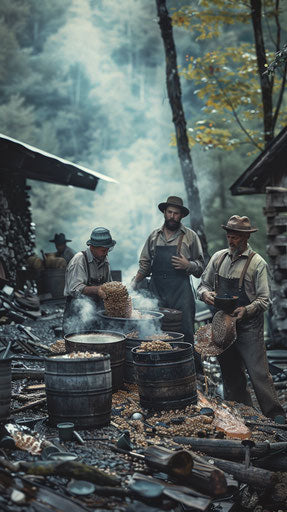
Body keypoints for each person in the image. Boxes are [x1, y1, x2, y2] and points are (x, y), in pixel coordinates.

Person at [197, 215, 285, 422]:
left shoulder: (257, 264)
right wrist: (205, 294)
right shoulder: (218, 258)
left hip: (248, 326)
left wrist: (247, 310)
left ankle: (275, 414)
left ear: (245, 237)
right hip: (223, 325)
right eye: (229, 236)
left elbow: (265, 300)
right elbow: (203, 285)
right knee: (230, 373)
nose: (231, 241)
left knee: (259, 374)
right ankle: (244, 412)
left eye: (235, 237)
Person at [132, 196, 204, 368]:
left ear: (181, 216)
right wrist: (133, 284)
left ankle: (190, 370)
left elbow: (201, 266)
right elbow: (144, 265)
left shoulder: (190, 236)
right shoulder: (154, 236)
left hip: (181, 291)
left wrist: (188, 265)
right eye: (169, 212)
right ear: (164, 213)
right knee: (155, 330)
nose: (172, 216)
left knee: (186, 331)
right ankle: (160, 366)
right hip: (157, 290)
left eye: (176, 213)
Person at [63, 227, 116, 334]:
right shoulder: (79, 260)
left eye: (108, 250)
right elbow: (74, 288)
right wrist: (98, 289)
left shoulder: (104, 261)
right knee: (77, 344)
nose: (106, 253)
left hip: (96, 311)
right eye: (103, 250)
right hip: (77, 311)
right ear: (92, 247)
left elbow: (109, 284)